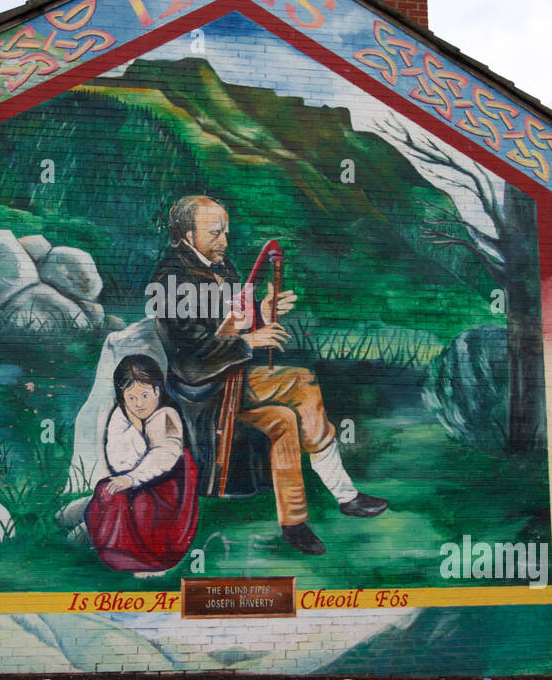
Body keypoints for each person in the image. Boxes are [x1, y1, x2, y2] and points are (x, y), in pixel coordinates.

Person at [150, 195, 387, 556]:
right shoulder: (170, 278)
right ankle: (345, 494)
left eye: (225, 232)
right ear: (185, 234)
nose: (224, 242)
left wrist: (261, 311)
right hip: (201, 394)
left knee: (283, 420)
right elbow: (191, 355)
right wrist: (249, 339)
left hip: (230, 382)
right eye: (215, 233)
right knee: (301, 382)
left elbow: (232, 322)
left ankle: (294, 523)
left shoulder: (220, 265)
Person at [84, 355, 199, 576]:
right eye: (131, 397)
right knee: (107, 491)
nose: (139, 404)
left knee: (141, 508)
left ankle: (150, 559)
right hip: (138, 482)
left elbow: (164, 454)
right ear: (122, 397)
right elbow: (120, 462)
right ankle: (118, 552)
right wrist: (132, 427)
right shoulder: (122, 415)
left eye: (145, 395)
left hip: (168, 491)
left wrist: (132, 479)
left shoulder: (165, 416)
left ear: (157, 390)